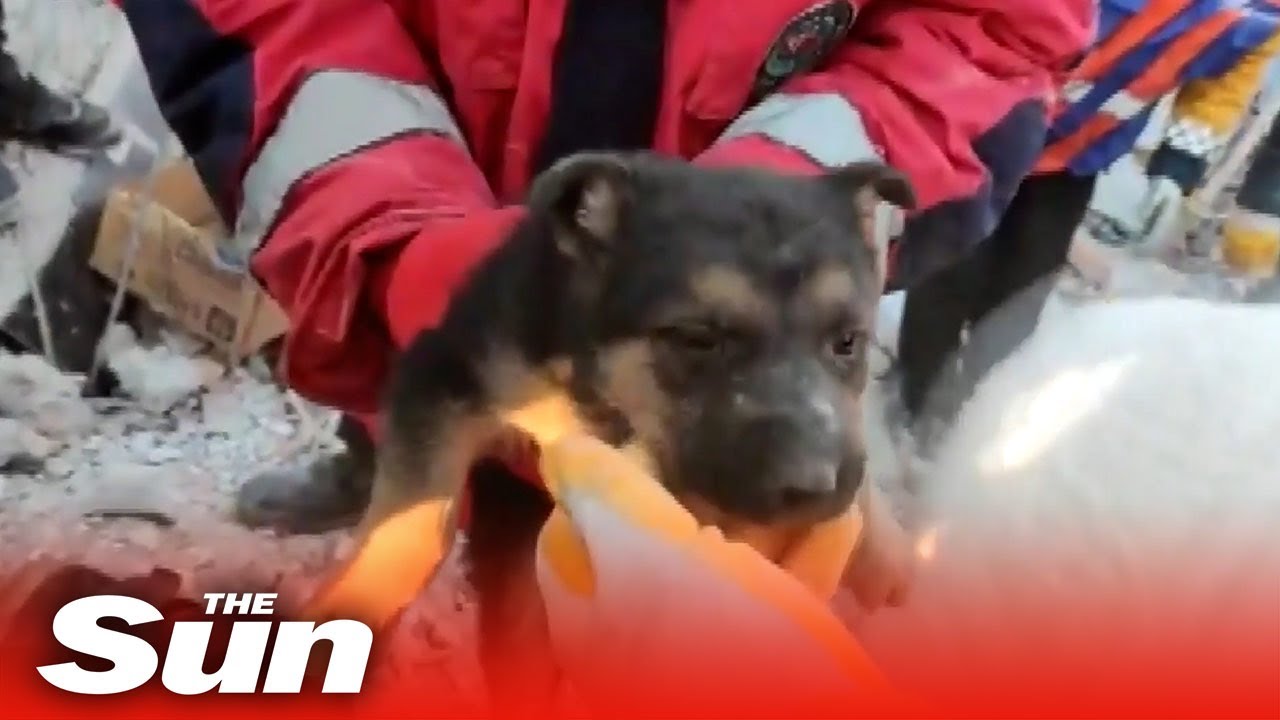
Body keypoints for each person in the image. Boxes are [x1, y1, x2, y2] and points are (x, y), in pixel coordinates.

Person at [111, 0, 1093, 537]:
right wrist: (395, 239)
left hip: (739, 196)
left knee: (635, 572)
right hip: (446, 188)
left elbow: (996, 23)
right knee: (425, 396)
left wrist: (760, 213)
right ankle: (377, 465)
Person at [895, 0, 1280, 444]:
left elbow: (1222, 83)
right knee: (952, 266)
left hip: (1071, 159)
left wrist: (1176, 168)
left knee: (1022, 287)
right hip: (991, 130)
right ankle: (912, 401)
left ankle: (979, 410)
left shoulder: (1250, 16)